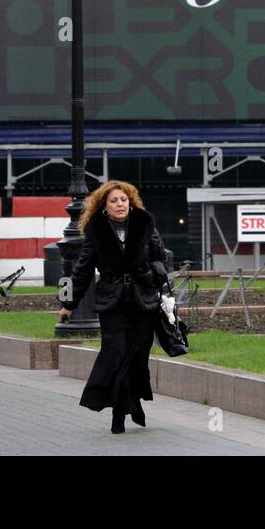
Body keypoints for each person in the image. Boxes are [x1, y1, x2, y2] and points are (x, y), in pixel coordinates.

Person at [58, 180, 169, 434]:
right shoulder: (96, 231)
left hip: (143, 302)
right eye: (114, 201)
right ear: (104, 206)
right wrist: (68, 303)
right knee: (116, 354)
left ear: (130, 201)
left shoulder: (145, 224)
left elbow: (161, 259)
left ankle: (135, 402)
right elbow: (81, 271)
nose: (120, 204)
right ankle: (118, 415)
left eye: (123, 200)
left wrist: (150, 275)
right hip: (113, 303)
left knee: (136, 360)